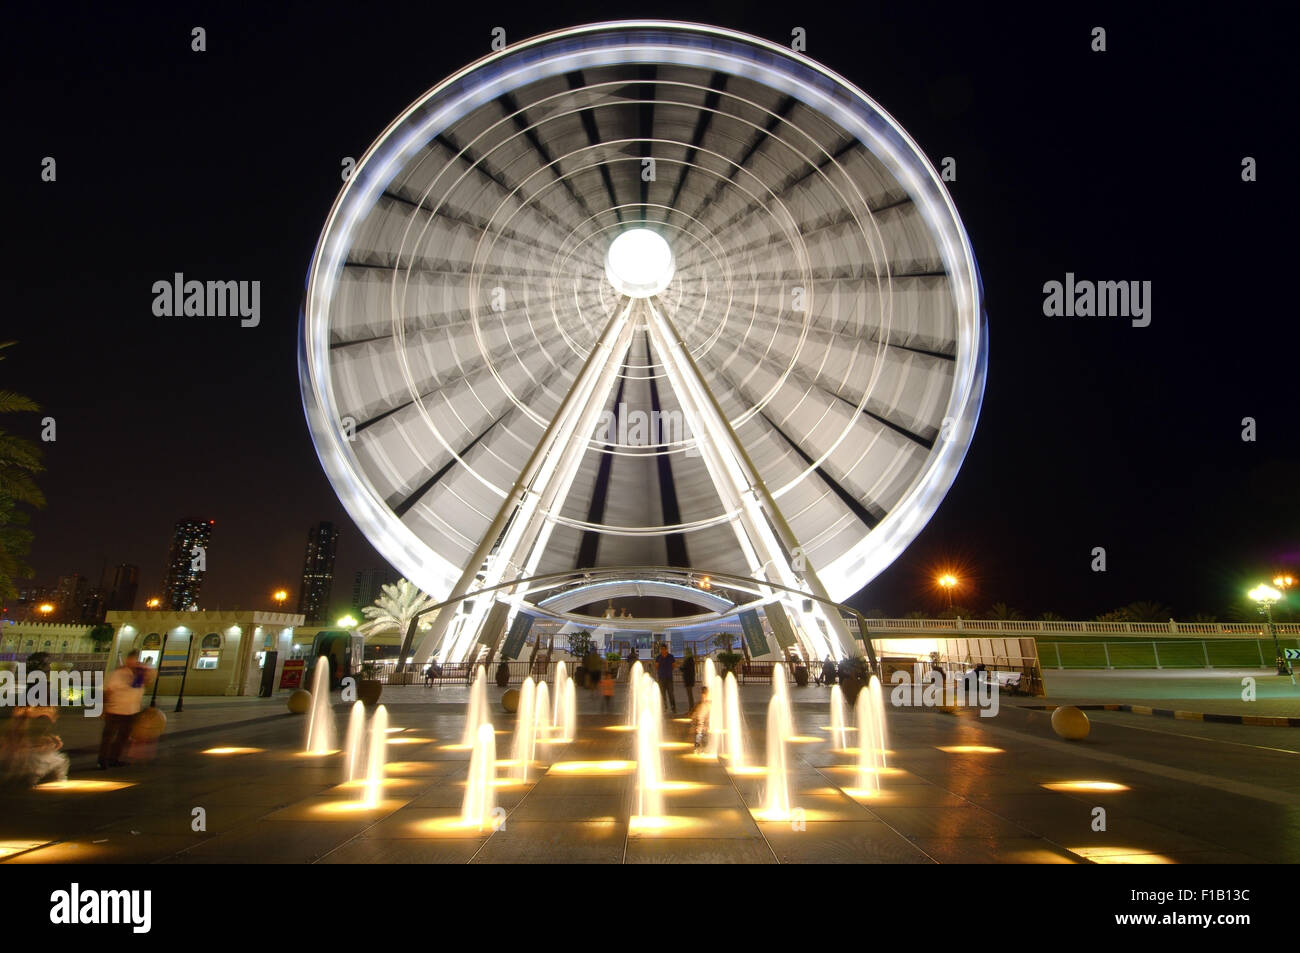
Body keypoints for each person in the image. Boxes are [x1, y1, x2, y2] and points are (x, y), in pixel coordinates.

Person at [100, 651, 147, 769]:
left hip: (131, 711)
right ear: (128, 660)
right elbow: (109, 691)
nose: (134, 662)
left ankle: (114, 758)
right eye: (133, 659)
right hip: (115, 709)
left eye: (136, 660)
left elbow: (139, 690)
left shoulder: (138, 675)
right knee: (108, 736)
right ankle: (102, 760)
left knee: (123, 736)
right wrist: (103, 707)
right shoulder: (119, 673)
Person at [656, 643, 677, 715]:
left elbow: (674, 665)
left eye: (663, 649)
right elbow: (656, 666)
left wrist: (669, 670)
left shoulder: (670, 656)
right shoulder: (658, 657)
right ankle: (665, 707)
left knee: (671, 693)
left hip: (669, 678)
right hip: (661, 678)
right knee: (663, 694)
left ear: (666, 649)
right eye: (661, 649)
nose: (662, 650)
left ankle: (673, 707)